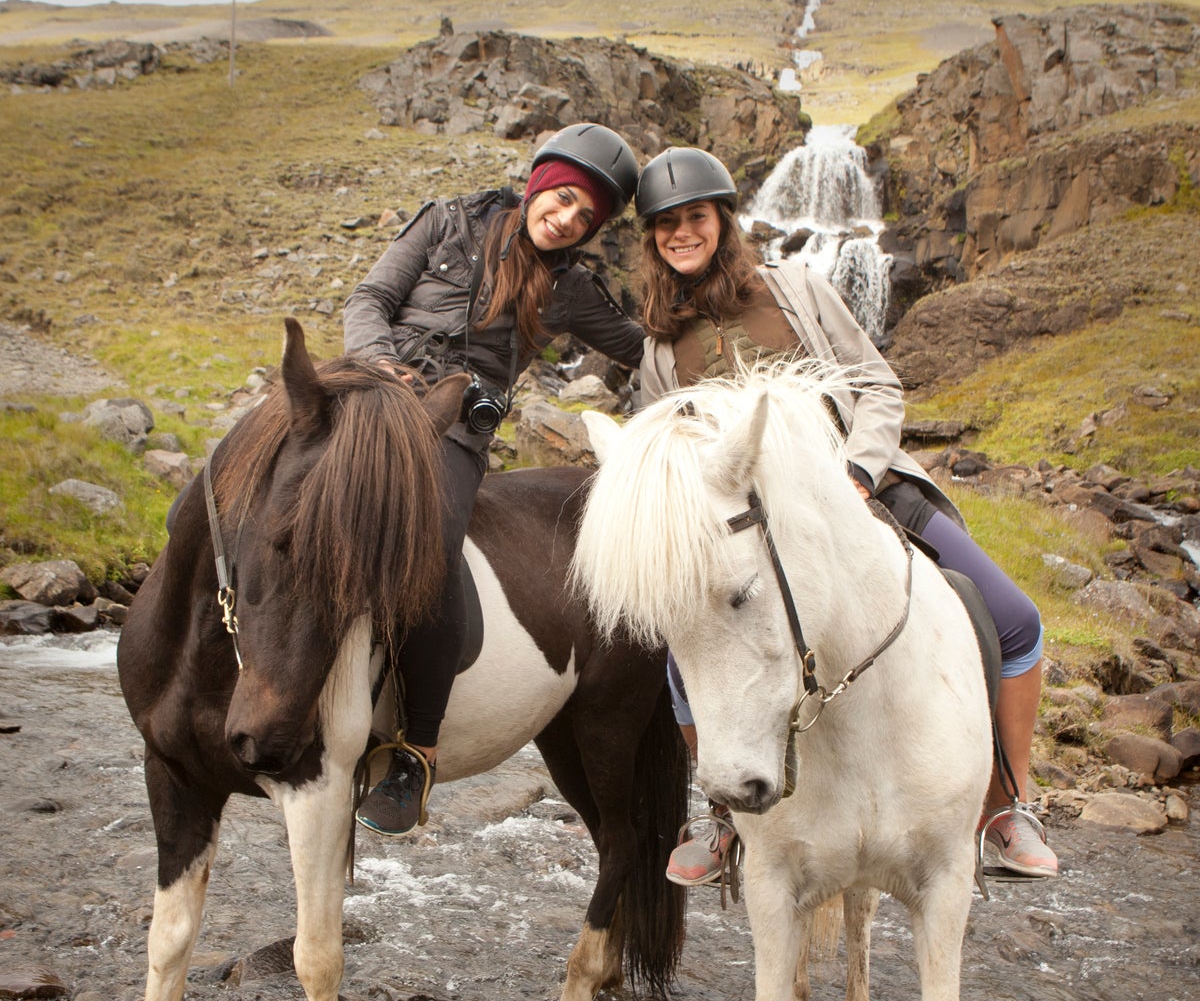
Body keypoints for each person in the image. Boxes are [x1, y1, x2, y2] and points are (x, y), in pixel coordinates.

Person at [634, 146, 1057, 884]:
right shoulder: (658, 348)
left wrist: (860, 472)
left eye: (694, 217)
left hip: (860, 490)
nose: (681, 234)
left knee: (1015, 621)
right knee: (684, 659)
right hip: (745, 534)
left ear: (721, 219)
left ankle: (1004, 805)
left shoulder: (796, 285)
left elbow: (876, 384)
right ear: (653, 240)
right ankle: (725, 819)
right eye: (666, 225)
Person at [344, 123, 644, 836]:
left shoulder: (570, 288)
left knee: (430, 551)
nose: (567, 219)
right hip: (368, 398)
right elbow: (368, 302)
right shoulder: (445, 220)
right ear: (540, 181)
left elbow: (639, 346)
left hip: (455, 435)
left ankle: (415, 746)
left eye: (585, 217)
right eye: (564, 198)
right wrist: (380, 364)